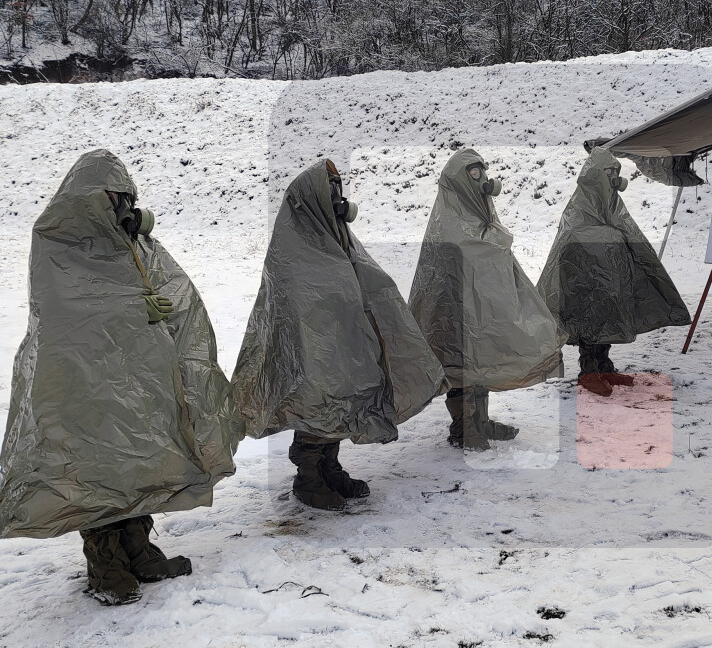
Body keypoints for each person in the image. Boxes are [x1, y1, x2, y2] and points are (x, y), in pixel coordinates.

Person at [0, 149, 241, 605]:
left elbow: (163, 287)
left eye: (124, 195)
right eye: (112, 195)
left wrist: (160, 310)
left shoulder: (129, 241)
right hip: (80, 380)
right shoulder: (57, 239)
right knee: (97, 468)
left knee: (138, 460)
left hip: (133, 377)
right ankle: (106, 567)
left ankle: (139, 551)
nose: (121, 204)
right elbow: (64, 310)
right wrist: (135, 309)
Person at [233, 159, 446, 511]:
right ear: (311, 201)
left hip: (342, 346)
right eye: (328, 191)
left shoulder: (338, 240)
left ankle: (329, 469)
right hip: (311, 353)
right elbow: (301, 302)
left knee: (340, 405)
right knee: (318, 404)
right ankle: (308, 478)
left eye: (337, 189)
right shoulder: (295, 248)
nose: (337, 200)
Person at [409, 149, 565, 450]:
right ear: (459, 181)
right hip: (456, 312)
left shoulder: (480, 215)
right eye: (473, 174)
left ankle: (479, 421)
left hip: (483, 309)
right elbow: (466, 253)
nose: (481, 180)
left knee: (482, 361)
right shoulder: (450, 222)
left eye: (481, 172)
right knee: (461, 365)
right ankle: (463, 427)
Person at [537, 146, 691, 396]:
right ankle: (589, 373)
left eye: (614, 172)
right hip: (584, 284)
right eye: (607, 172)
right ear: (595, 176)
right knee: (590, 324)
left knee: (608, 322)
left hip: (610, 279)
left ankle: (605, 368)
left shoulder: (611, 206)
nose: (613, 178)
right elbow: (572, 243)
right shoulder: (580, 209)